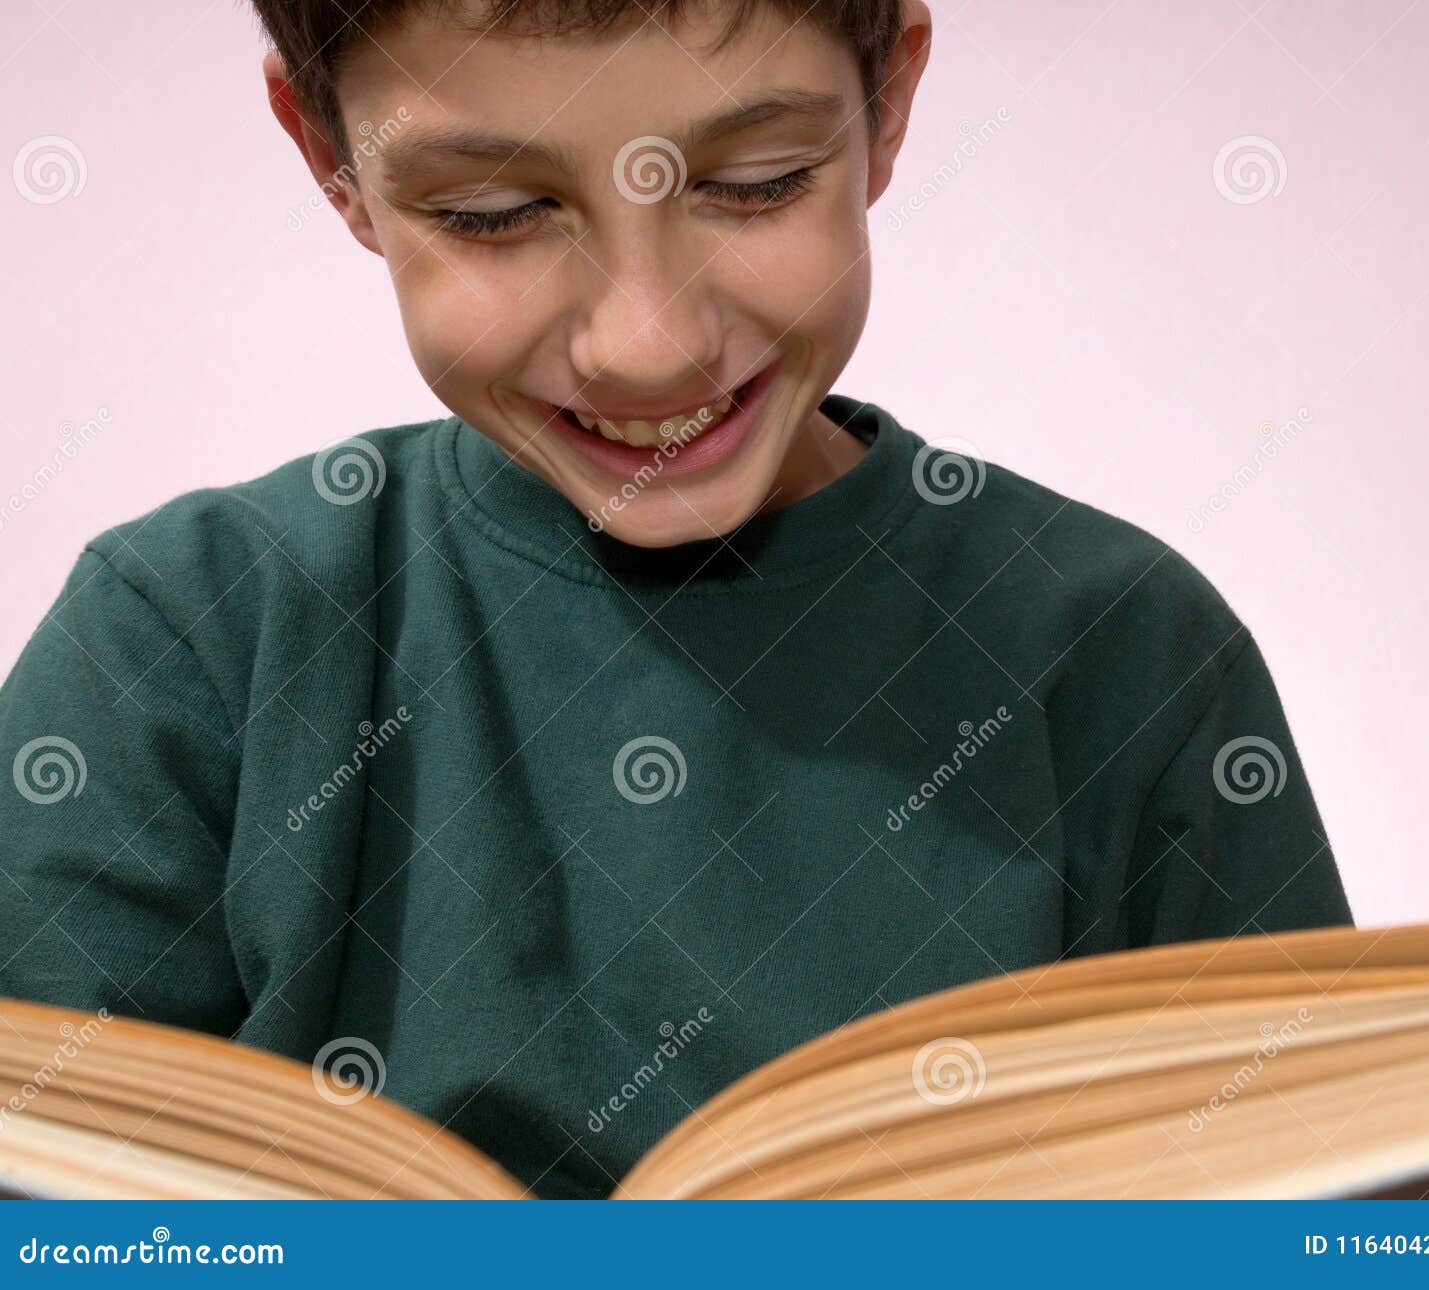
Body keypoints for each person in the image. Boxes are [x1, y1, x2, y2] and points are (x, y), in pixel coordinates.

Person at [0, 0, 1352, 1198]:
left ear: (888, 106)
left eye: (757, 184)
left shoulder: (1127, 655)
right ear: (332, 164)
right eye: (491, 215)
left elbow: (1334, 1213)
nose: (645, 343)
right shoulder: (181, 641)